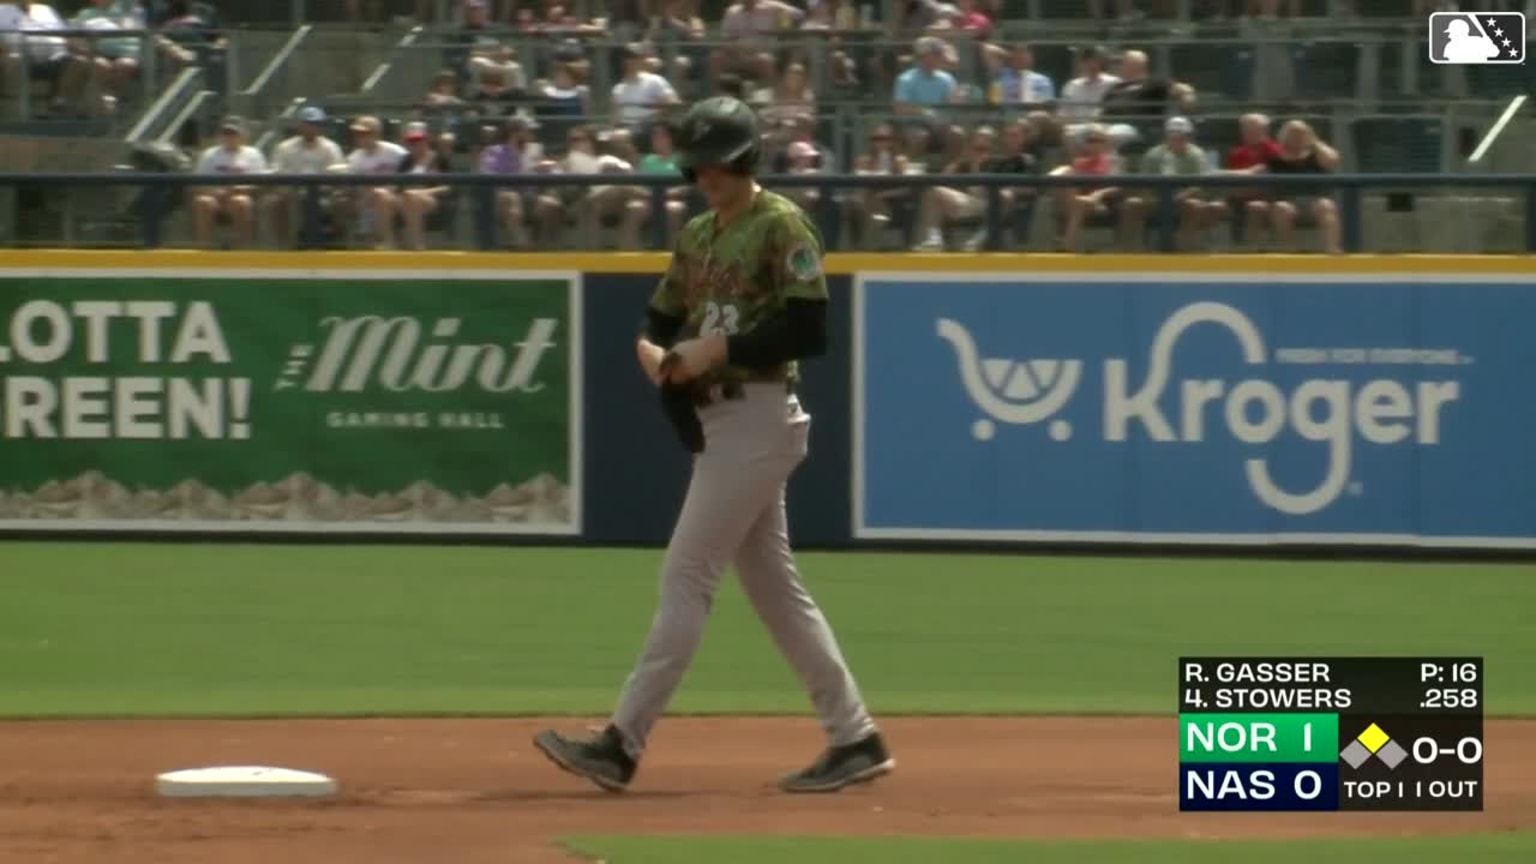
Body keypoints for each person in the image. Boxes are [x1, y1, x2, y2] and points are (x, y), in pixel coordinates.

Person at [534, 96, 893, 795]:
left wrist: (717, 348)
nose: (706, 177)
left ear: (746, 159)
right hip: (725, 420)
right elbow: (663, 313)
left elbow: (809, 330)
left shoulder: (780, 223)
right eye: (696, 166)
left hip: (758, 415)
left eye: (717, 164)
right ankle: (855, 737)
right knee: (775, 591)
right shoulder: (698, 234)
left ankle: (620, 745)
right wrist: (660, 355)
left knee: (687, 574)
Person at [266, 105, 345, 246]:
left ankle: (337, 242)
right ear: (300, 125)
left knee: (341, 200)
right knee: (276, 201)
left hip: (323, 193)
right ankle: (284, 244)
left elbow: (338, 173)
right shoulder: (284, 147)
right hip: (292, 191)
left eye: (316, 124)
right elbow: (276, 171)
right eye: (308, 124)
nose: (312, 128)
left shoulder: (331, 147)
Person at [190, 115, 266, 247]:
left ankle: (244, 247)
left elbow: (261, 182)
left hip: (242, 195)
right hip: (214, 197)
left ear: (242, 135)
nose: (229, 137)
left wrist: (238, 190)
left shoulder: (253, 154)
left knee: (240, 202)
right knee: (202, 202)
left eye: (233, 133)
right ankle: (203, 247)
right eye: (226, 133)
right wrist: (216, 192)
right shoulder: (209, 154)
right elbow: (198, 182)